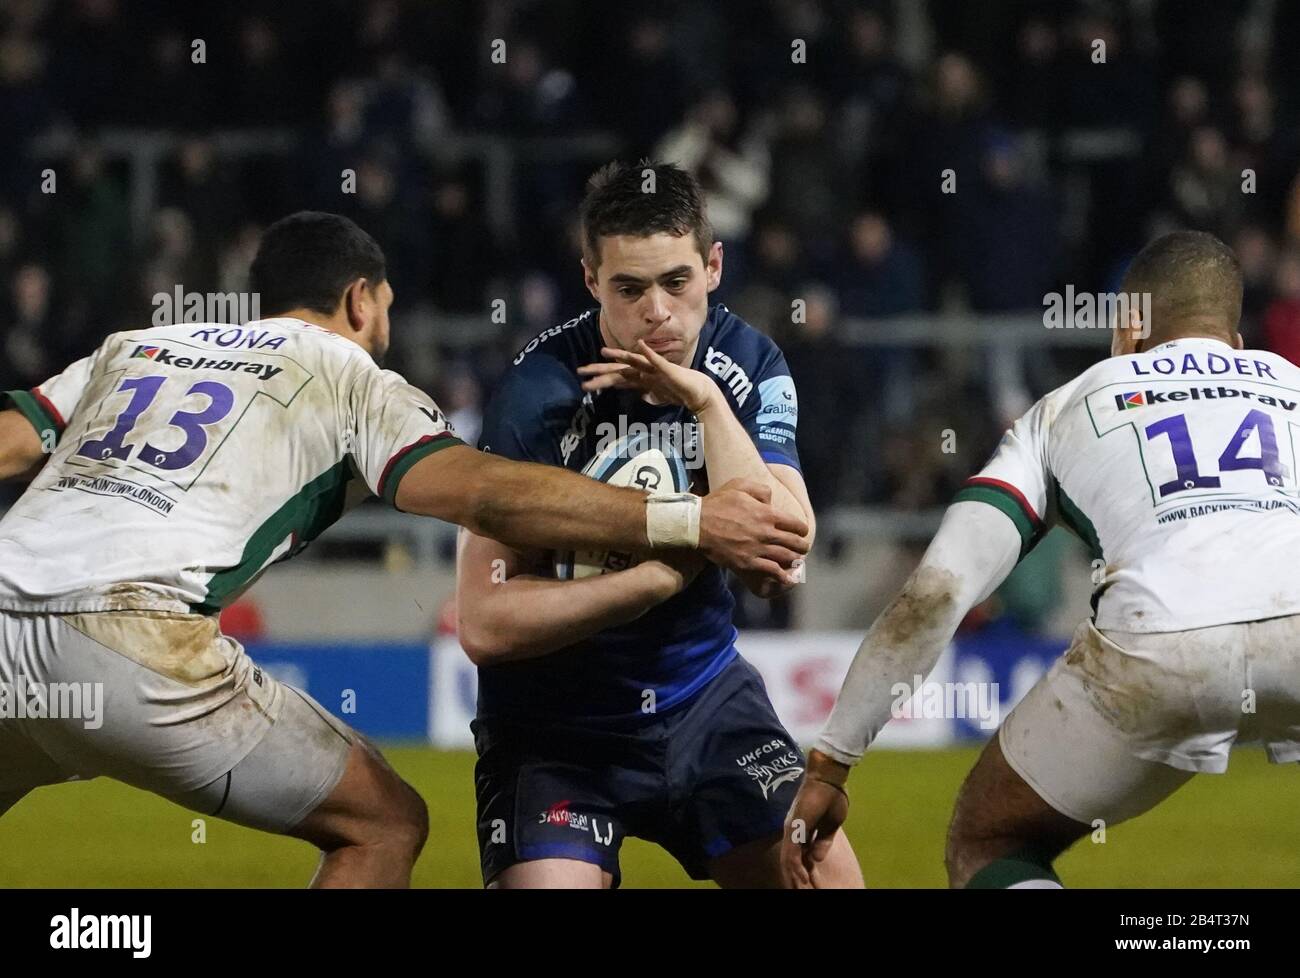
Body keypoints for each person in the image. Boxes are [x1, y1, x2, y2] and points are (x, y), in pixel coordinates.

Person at [0, 211, 808, 888]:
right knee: (384, 824)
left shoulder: (134, 346)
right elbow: (481, 490)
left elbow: (10, 440)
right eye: (383, 308)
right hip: (133, 634)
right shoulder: (353, 377)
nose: (384, 329)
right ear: (360, 299)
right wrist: (685, 521)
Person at [782, 230, 1300, 888]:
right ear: (1234, 340)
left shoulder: (1068, 405)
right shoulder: (1291, 383)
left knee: (989, 838)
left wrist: (832, 763)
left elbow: (940, 590)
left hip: (1164, 643)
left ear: (1127, 329)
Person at [457, 162, 862, 888]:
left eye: (677, 282)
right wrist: (654, 575)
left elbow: (783, 558)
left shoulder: (746, 362)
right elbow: (484, 623)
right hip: (555, 728)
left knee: (827, 880)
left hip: (704, 701)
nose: (657, 312)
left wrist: (707, 405)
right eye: (629, 289)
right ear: (590, 282)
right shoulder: (537, 392)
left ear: (713, 266)